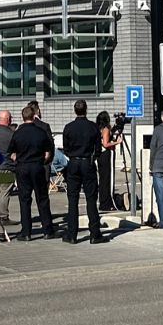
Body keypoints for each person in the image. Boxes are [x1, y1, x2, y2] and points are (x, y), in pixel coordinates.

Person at [60, 100, 105, 244]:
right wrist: (92, 158)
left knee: (72, 200)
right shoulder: (93, 127)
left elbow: (65, 148)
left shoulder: (69, 128)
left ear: (75, 111)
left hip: (73, 162)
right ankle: (94, 234)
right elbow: (98, 149)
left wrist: (73, 155)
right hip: (87, 162)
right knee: (91, 199)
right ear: (86, 110)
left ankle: (72, 234)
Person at [10, 101, 55, 240]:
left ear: (23, 117)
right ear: (34, 115)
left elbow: (11, 154)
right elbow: (48, 152)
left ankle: (26, 232)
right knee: (42, 198)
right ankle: (48, 230)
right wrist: (43, 160)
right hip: (37, 166)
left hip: (23, 167)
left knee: (24, 200)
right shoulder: (41, 132)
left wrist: (18, 159)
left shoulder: (17, 133)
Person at [95, 110, 117, 211]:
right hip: (106, 154)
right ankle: (107, 202)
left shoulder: (98, 129)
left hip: (100, 155)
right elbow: (106, 143)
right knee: (107, 179)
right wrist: (117, 142)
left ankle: (103, 201)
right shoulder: (106, 129)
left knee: (102, 179)